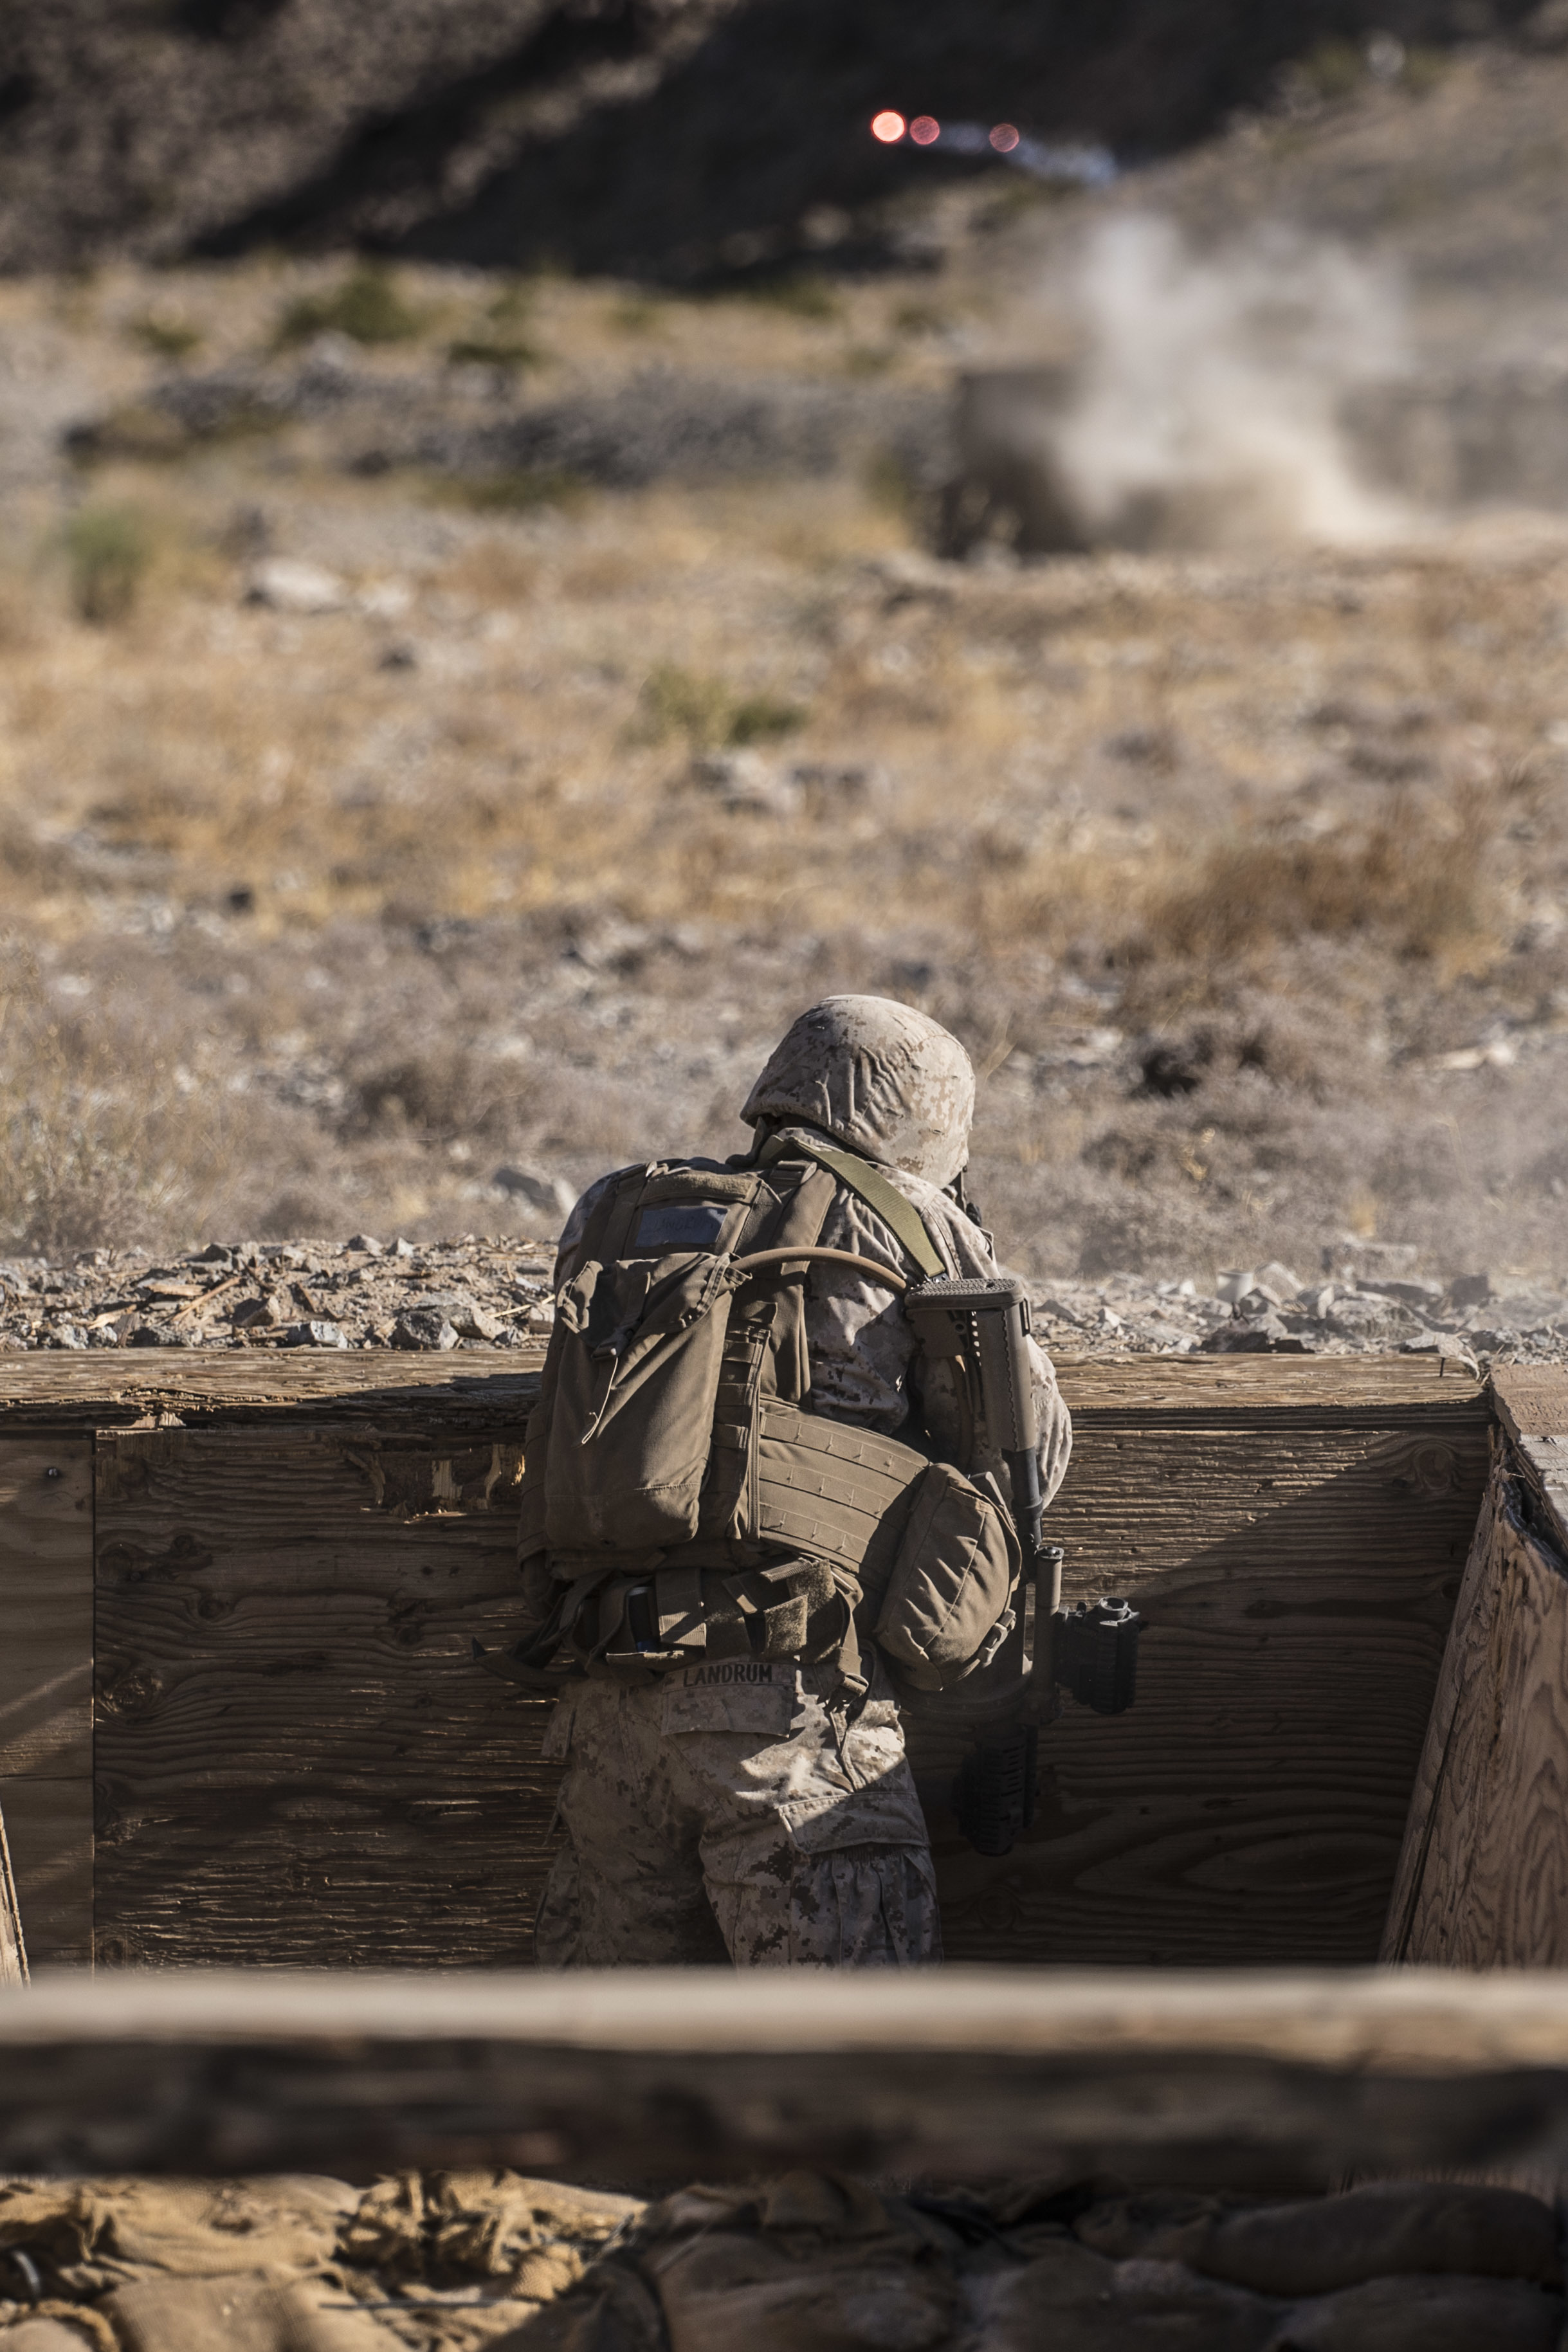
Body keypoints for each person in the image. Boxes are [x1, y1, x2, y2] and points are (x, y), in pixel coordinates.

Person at [514, 995, 1071, 1968]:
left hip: (607, 1713)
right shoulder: (908, 1215)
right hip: (788, 1717)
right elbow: (1026, 1446)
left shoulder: (619, 1209)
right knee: (847, 2074)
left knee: (602, 2082)